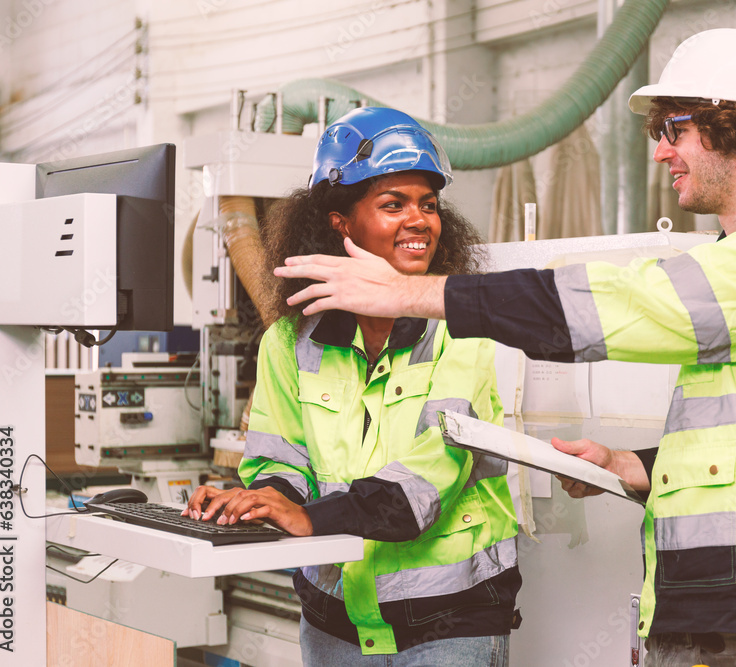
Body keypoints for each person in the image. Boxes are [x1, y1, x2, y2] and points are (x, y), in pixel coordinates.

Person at [272, 28, 736, 667]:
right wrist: (634, 465)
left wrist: (413, 296)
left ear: (734, 127)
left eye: (674, 129)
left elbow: (613, 306)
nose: (661, 152)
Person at [183, 107, 521, 666]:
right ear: (340, 222)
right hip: (334, 622)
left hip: (449, 624)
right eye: (393, 205)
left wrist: (311, 517)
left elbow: (421, 489)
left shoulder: (462, 333)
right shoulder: (290, 343)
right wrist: (261, 501)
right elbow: (279, 460)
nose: (420, 220)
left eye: (428, 204)